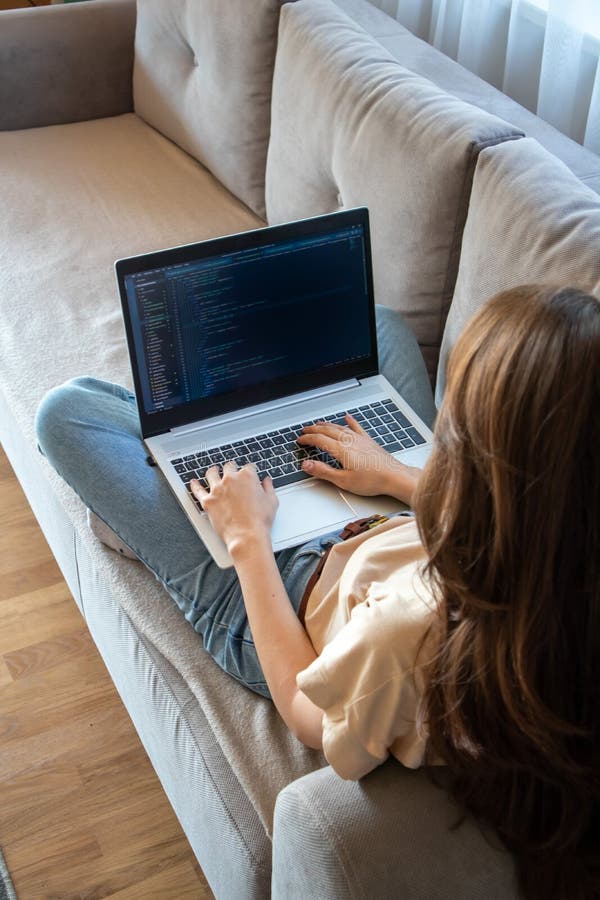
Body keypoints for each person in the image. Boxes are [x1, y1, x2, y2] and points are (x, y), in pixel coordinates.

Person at [35, 285, 599, 900]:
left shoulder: (402, 644)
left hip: (289, 591)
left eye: (456, 434)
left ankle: (173, 518)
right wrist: (392, 473)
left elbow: (307, 715)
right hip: (391, 517)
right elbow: (495, 522)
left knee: (68, 413)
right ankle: (190, 490)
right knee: (377, 326)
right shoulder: (563, 555)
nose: (446, 440)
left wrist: (247, 537)